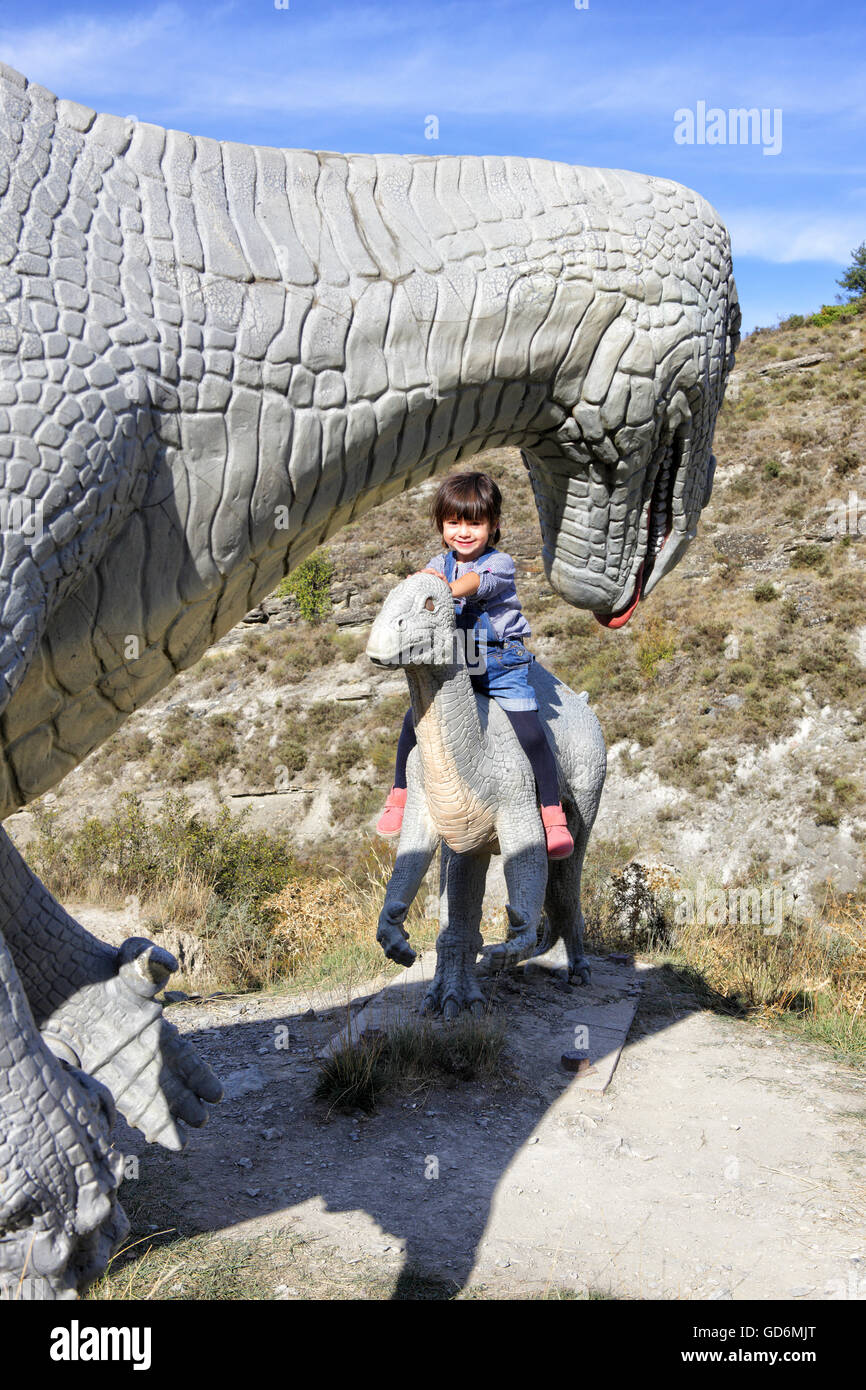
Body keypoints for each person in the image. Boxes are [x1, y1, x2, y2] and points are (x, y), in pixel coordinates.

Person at [376, 470, 574, 859]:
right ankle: (399, 792)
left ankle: (551, 811)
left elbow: (475, 585)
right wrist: (420, 588)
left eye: (475, 523)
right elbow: (426, 584)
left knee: (530, 731)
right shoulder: (439, 564)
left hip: (502, 662)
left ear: (493, 524)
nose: (463, 532)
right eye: (454, 522)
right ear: (441, 525)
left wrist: (440, 591)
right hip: (460, 661)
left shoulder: (499, 563)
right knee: (413, 721)